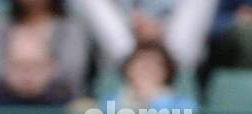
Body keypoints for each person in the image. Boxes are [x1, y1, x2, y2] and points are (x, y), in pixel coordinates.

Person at [71, 0, 219, 72]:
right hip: (122, 48)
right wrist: (132, 23)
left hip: (174, 49)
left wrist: (160, 28)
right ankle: (132, 63)